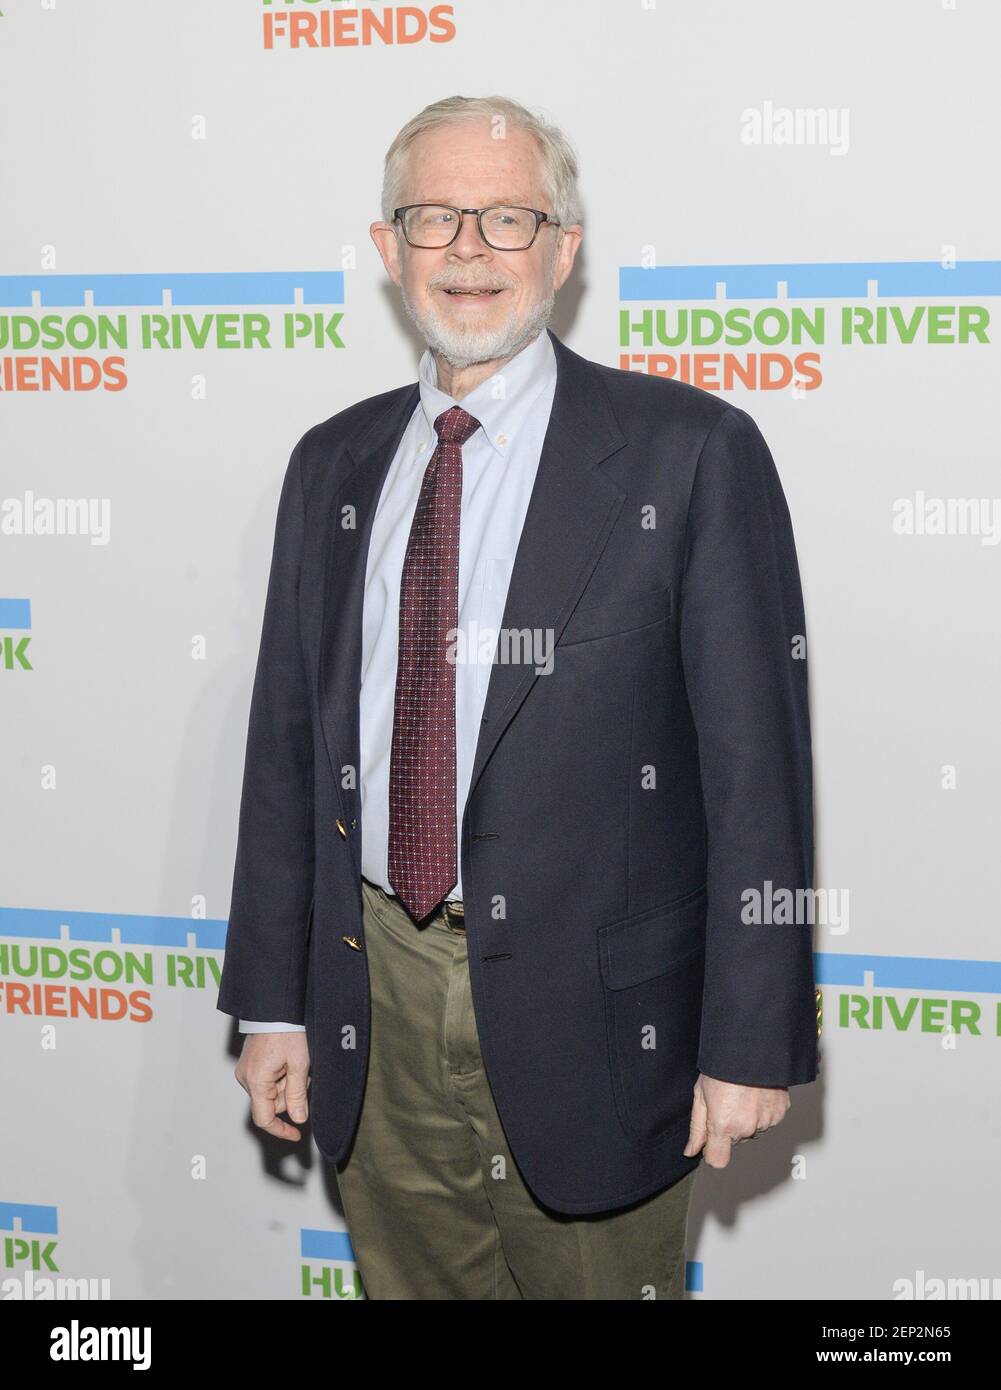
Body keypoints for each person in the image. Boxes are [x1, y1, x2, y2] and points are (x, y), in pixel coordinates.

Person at [217, 94, 819, 1300]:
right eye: (433, 217)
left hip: (598, 1025)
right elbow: (287, 751)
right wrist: (273, 1004)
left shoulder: (688, 453)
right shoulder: (330, 463)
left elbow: (756, 775)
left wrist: (750, 1040)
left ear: (563, 247)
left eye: (507, 217)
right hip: (374, 993)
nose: (469, 249)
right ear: (387, 248)